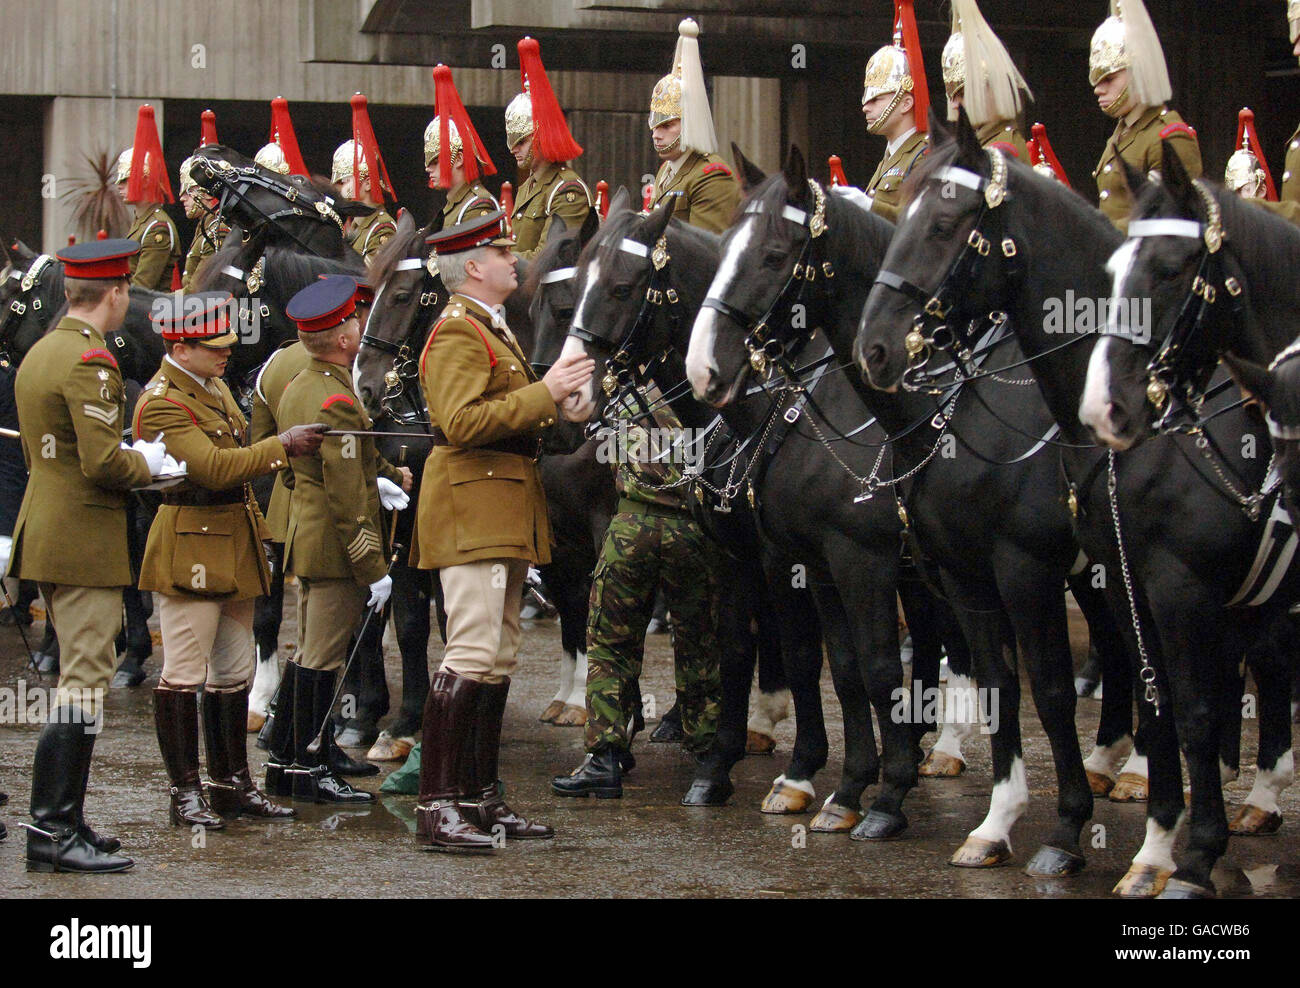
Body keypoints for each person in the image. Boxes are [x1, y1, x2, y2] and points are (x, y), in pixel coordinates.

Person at [411, 209, 593, 850]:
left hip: (502, 506)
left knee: (497, 655)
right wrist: (545, 393)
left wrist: (560, 404)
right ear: (473, 268)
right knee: (470, 652)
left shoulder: (493, 328)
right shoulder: (460, 332)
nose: (514, 258)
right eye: (501, 250)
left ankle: (481, 798)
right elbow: (460, 421)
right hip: (473, 507)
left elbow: (514, 416)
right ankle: (438, 804)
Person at [133, 292, 328, 828]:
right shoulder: (163, 401)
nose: (225, 354)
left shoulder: (211, 385)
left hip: (234, 538)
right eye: (213, 346)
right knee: (183, 674)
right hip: (191, 538)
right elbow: (214, 468)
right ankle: (185, 793)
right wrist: (282, 445)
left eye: (226, 345)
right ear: (179, 346)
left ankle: (231, 784)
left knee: (233, 672)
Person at [8, 239, 171, 873]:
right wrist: (150, 464)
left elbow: (42, 453)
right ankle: (51, 830)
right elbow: (103, 462)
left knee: (82, 680)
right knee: (83, 684)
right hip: (83, 539)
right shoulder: (89, 361)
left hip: (49, 529)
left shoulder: (39, 353)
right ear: (118, 293)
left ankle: (66, 820)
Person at [263, 275, 411, 803]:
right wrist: (373, 569)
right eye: (353, 321)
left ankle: (302, 752)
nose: (357, 328)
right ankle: (302, 766)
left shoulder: (297, 385)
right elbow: (349, 503)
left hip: (308, 535)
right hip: (335, 550)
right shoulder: (336, 399)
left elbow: (293, 470)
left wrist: (384, 472)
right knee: (323, 657)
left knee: (310, 650)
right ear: (345, 337)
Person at [1089, 0, 1201, 232]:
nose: (1099, 89)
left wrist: (1096, 232)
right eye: (1097, 82)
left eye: (1109, 79)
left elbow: (1169, 219)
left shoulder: (1168, 136)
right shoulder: (1123, 131)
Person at [645, 18, 741, 235]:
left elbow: (705, 251)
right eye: (655, 126)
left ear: (690, 122)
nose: (656, 135)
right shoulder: (665, 171)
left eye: (667, 126)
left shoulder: (711, 175)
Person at [505, 37, 592, 260]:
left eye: (522, 141)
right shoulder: (527, 187)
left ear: (541, 137)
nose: (514, 149)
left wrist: (499, 263)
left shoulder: (567, 190)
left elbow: (550, 258)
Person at [861, 1, 930, 223]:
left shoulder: (924, 155)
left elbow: (918, 224)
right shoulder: (890, 157)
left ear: (905, 103)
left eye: (876, 99)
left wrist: (869, 206)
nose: (865, 107)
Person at [940, 0, 1032, 159]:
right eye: (951, 96)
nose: (953, 104)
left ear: (992, 88)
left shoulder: (1003, 151)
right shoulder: (982, 145)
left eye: (961, 93)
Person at [427, 64, 500, 230]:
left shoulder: (477, 205)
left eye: (435, 161)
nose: (428, 168)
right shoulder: (452, 204)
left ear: (459, 159)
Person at [117, 105, 180, 291]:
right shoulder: (141, 221)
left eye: (126, 179)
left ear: (144, 181)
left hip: (150, 314)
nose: (118, 185)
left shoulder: (157, 227)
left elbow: (143, 286)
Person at [334, 93, 398, 264]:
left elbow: (370, 279)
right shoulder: (351, 225)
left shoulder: (382, 228)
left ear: (368, 183)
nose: (339, 188)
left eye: (345, 181)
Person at [179, 111, 230, 292]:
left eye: (189, 191)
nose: (181, 197)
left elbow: (198, 290)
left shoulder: (218, 230)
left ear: (207, 193)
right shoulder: (205, 227)